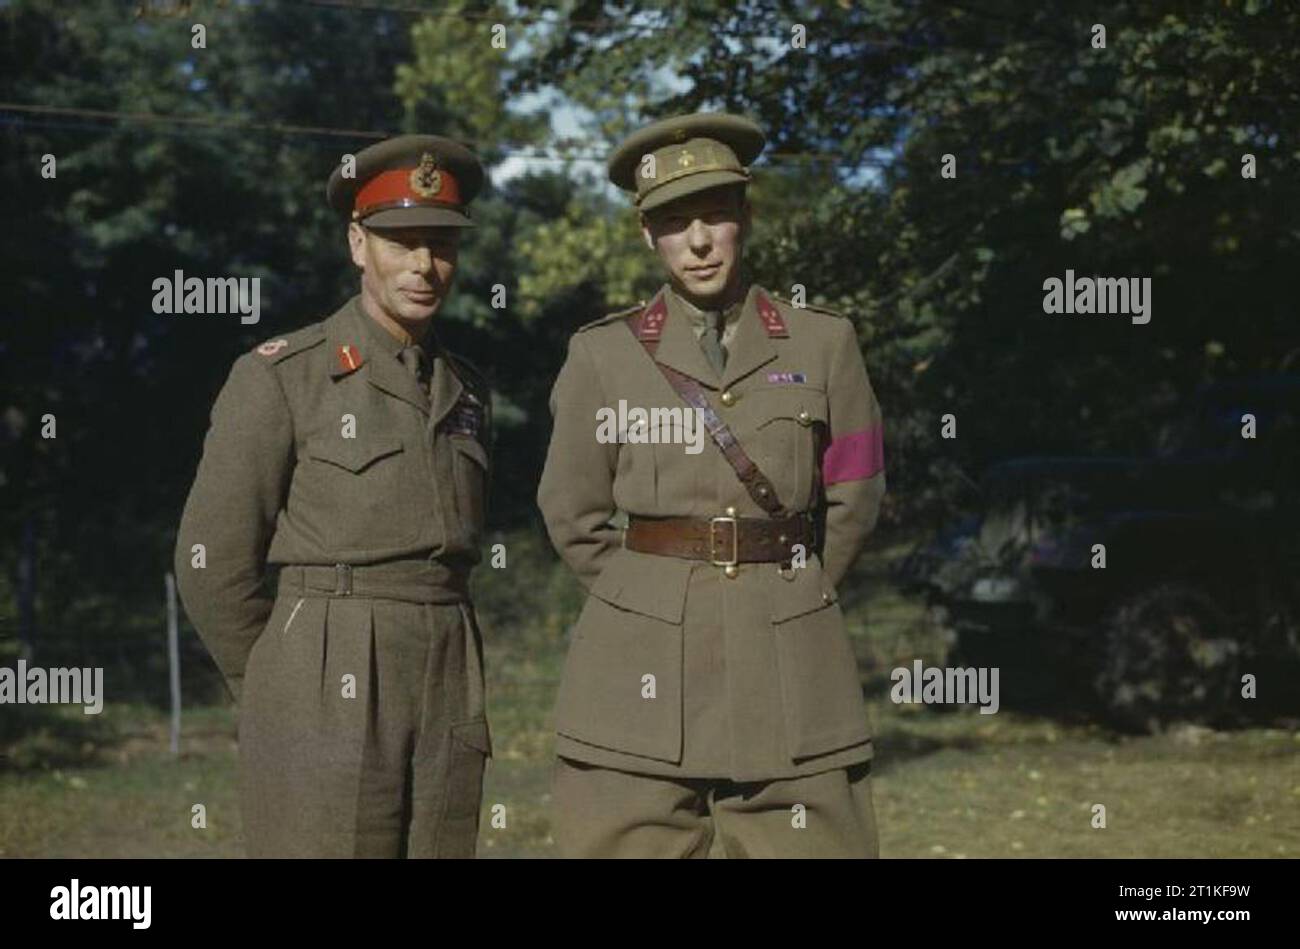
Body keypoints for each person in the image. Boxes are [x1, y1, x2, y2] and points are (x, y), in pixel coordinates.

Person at [537, 113, 887, 857]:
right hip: (637, 671)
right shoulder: (602, 356)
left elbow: (856, 488)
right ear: (647, 236)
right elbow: (572, 510)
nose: (697, 241)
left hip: (793, 661)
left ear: (745, 216)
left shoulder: (826, 342)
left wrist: (798, 592)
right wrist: (652, 598)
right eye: (672, 221)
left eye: (714, 215)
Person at [175, 135, 493, 858]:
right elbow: (209, 561)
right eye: (401, 240)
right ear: (358, 243)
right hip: (325, 661)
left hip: (447, 662)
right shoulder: (283, 376)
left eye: (441, 244)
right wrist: (277, 682)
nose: (424, 264)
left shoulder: (467, 386)